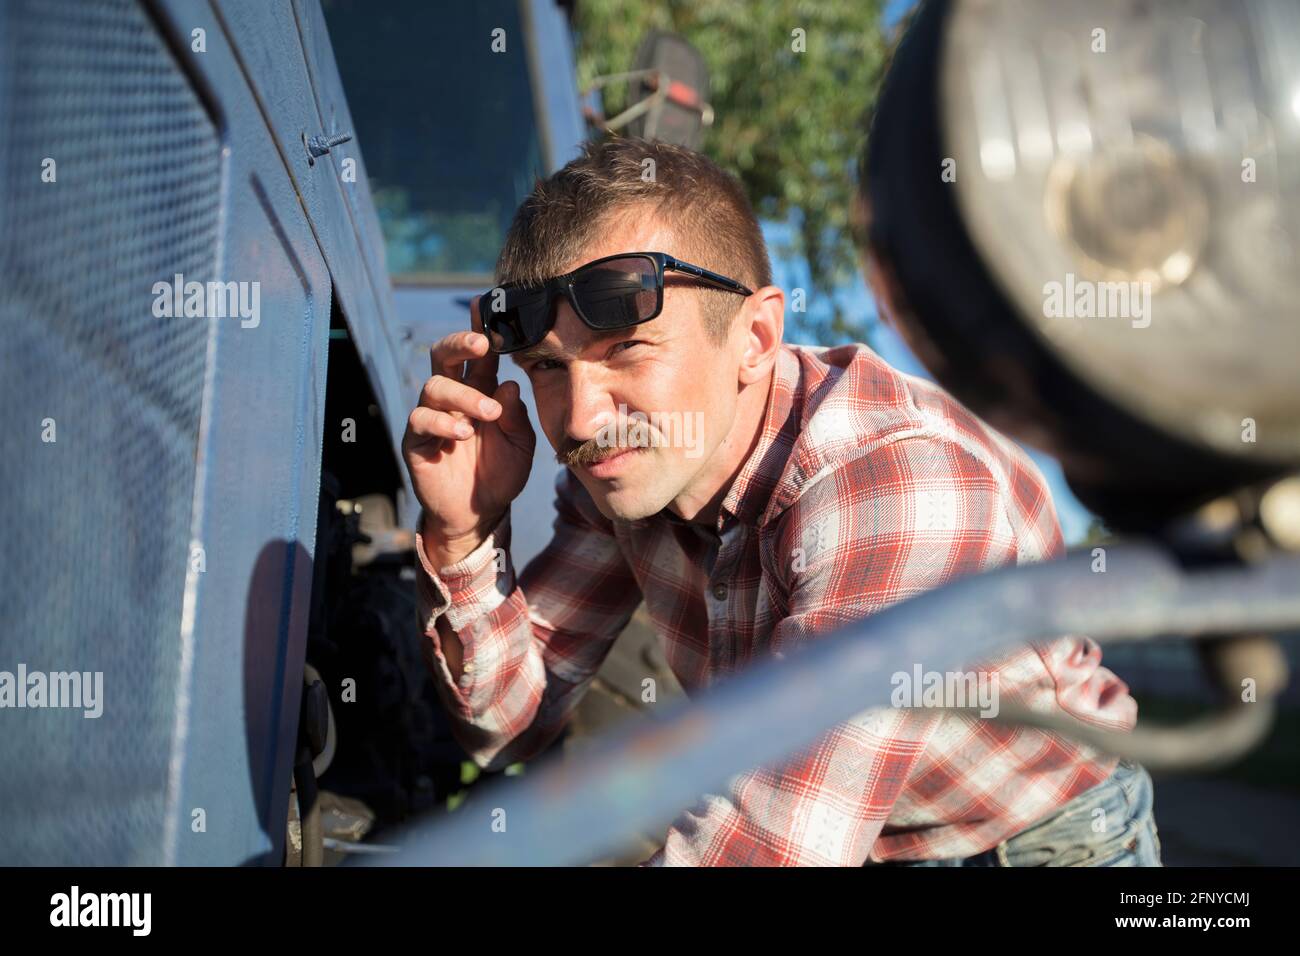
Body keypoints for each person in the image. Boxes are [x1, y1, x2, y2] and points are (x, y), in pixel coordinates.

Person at [400, 135, 1160, 866]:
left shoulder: (894, 483)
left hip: (1039, 843)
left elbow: (768, 851)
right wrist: (464, 531)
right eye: (545, 367)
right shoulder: (621, 473)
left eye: (625, 350)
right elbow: (505, 728)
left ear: (756, 336)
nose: (577, 419)